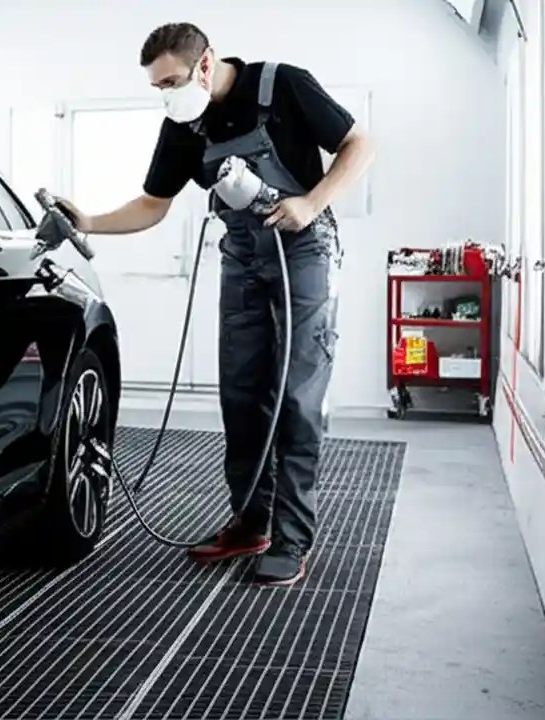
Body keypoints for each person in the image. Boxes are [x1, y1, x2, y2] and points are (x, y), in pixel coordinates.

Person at [57, 22, 374, 586]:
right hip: (244, 256)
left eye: (172, 82)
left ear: (205, 64)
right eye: (158, 87)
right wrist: (88, 222)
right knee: (241, 393)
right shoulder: (184, 123)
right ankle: (251, 524)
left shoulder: (283, 85)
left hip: (305, 248)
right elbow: (153, 204)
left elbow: (360, 145)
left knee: (296, 397)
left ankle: (292, 538)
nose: (166, 96)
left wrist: (310, 202)